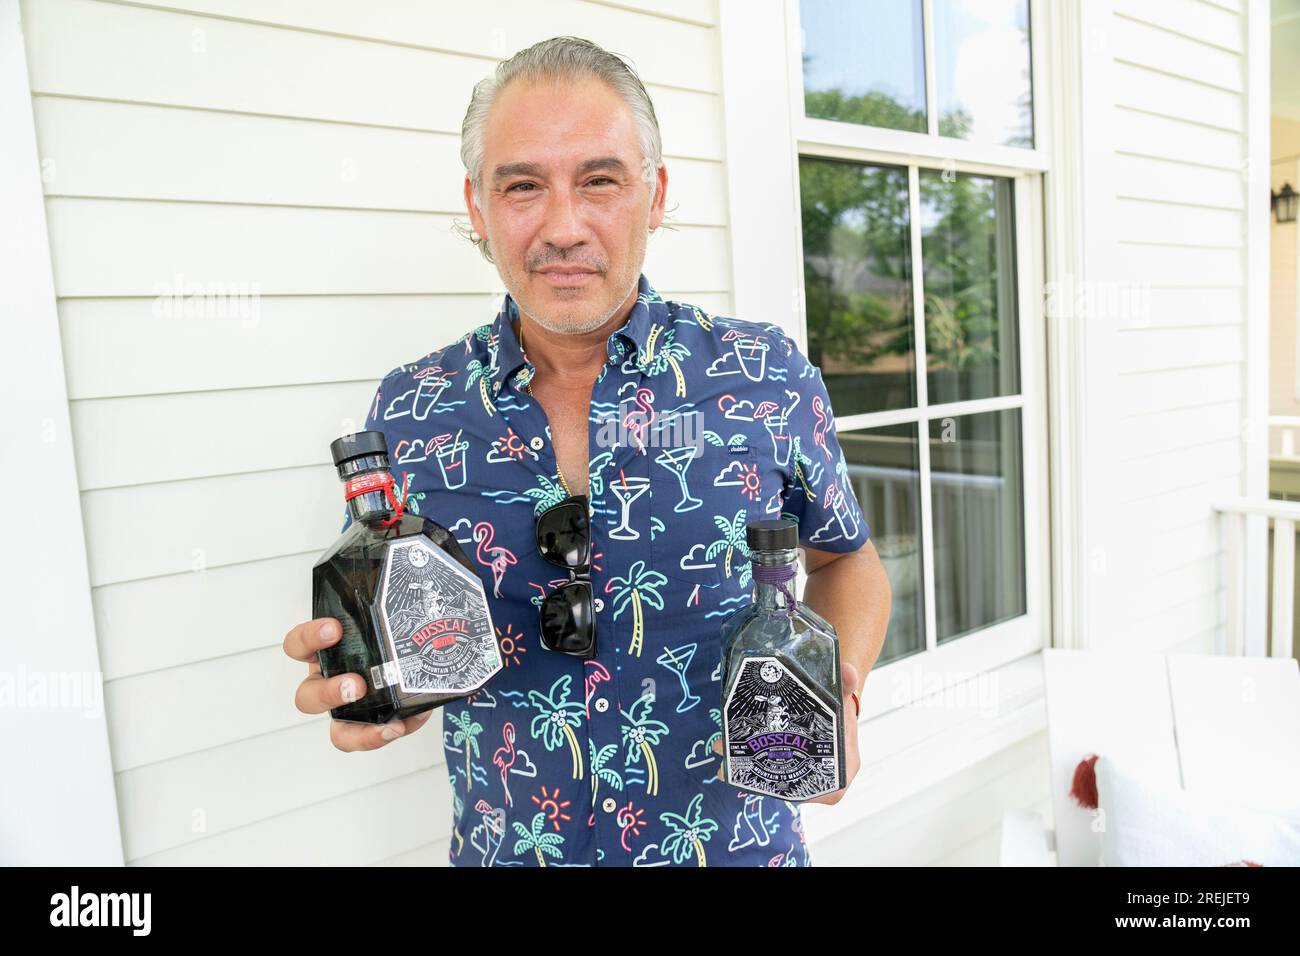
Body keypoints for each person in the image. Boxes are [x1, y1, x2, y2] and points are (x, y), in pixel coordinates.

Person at [282, 35, 892, 867]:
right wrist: (371, 683)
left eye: (599, 180)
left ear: (655, 193)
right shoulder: (411, 408)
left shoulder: (766, 377)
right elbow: (394, 615)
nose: (563, 227)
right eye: (523, 185)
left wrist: (841, 693)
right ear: (478, 207)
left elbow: (847, 562)